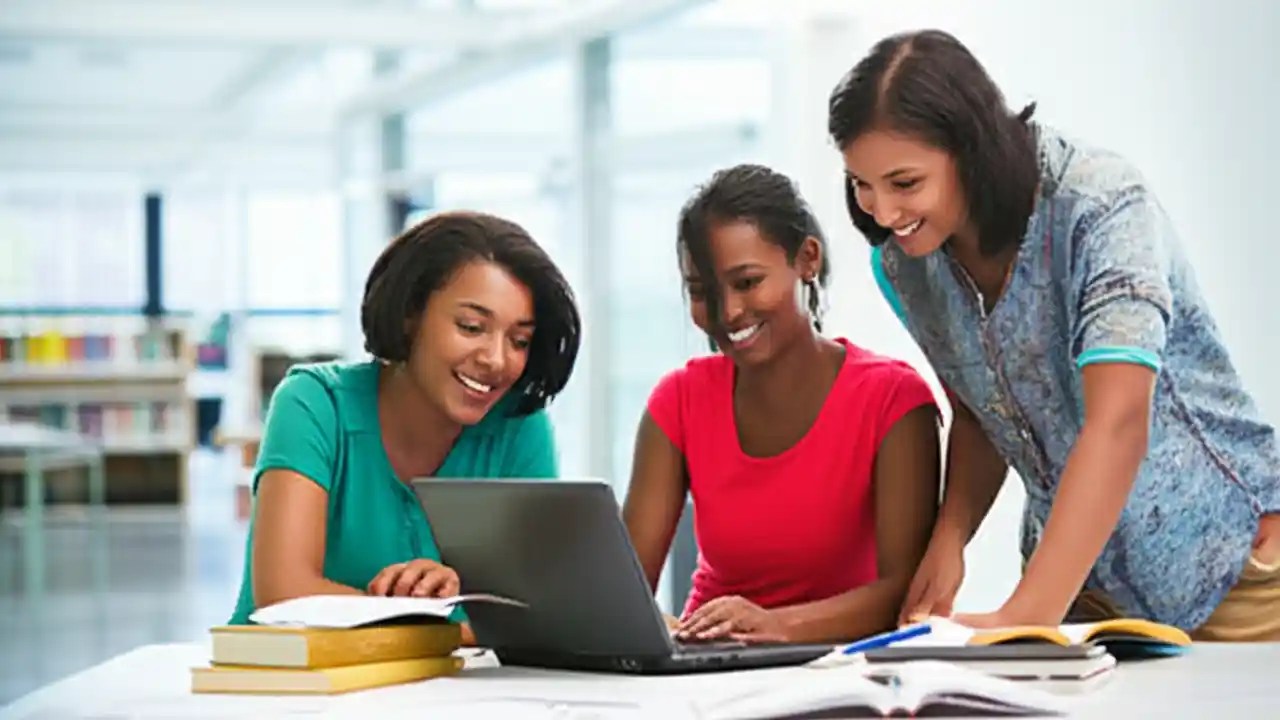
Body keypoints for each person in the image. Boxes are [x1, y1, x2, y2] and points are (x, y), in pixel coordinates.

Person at [828, 29, 1280, 639]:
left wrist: (1025, 614)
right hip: (1088, 600)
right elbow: (980, 410)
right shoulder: (905, 259)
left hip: (1235, 574)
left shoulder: (1101, 205)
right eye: (861, 183)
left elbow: (1119, 422)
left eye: (904, 183)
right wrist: (950, 539)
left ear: (970, 150)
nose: (882, 212)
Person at [622, 164, 942, 644]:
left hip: (841, 665)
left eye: (747, 282)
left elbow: (904, 595)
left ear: (807, 259)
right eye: (703, 292)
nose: (729, 311)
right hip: (711, 663)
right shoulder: (679, 401)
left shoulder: (892, 400)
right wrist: (674, 632)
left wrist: (777, 626)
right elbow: (623, 593)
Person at [228, 211, 581, 636]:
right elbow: (285, 595)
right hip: (284, 674)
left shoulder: (519, 425)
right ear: (410, 313)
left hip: (444, 679)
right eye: (471, 327)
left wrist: (443, 615)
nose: (496, 359)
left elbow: (533, 614)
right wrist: (431, 618)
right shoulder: (314, 403)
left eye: (519, 341)